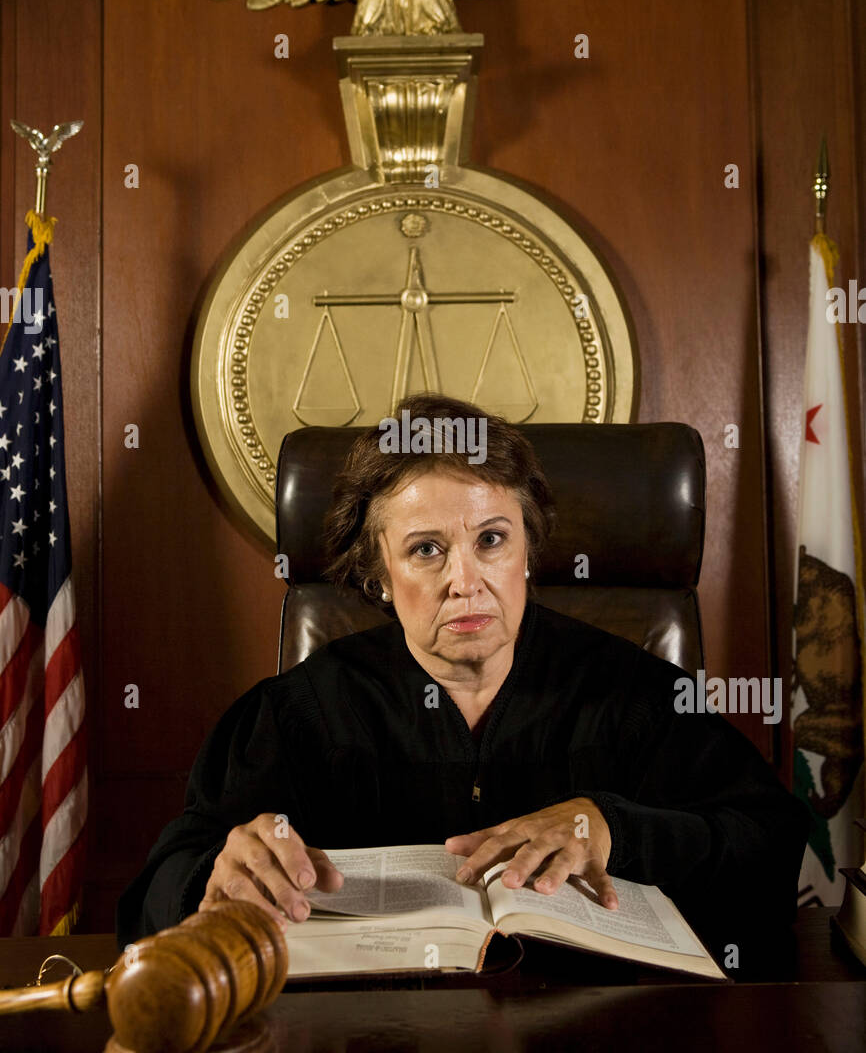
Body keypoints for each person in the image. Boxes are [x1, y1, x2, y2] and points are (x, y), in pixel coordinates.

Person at [117, 392, 808, 964]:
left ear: (529, 548)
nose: (465, 581)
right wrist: (214, 875)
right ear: (377, 574)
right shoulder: (297, 715)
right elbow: (157, 893)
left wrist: (612, 829)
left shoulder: (639, 697)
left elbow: (772, 849)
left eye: (491, 540)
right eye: (426, 550)